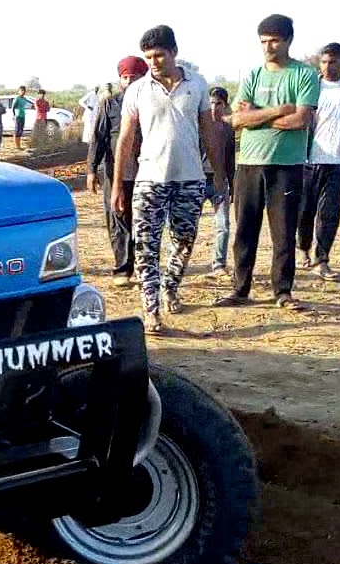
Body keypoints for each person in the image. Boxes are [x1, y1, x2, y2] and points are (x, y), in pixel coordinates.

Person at [113, 26, 219, 335]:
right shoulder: (137, 90)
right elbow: (125, 139)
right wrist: (119, 184)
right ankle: (151, 307)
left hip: (190, 179)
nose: (154, 62)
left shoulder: (197, 85)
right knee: (146, 245)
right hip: (149, 180)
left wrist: (221, 173)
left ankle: (170, 286)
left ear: (174, 52)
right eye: (148, 57)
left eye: (159, 55)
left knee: (184, 241)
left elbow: (208, 132)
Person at [215, 14, 319, 312]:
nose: (268, 47)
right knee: (244, 230)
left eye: (274, 41)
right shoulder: (253, 75)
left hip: (287, 165)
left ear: (288, 40)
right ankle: (240, 288)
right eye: (263, 42)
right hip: (249, 163)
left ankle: (282, 291)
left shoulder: (303, 74)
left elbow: (302, 119)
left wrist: (256, 116)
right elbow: (235, 120)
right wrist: (278, 110)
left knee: (284, 232)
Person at [297, 42, 340, 281]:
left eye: (333, 61)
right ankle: (303, 247)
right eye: (324, 62)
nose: (328, 66)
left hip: (338, 161)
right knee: (305, 211)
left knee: (329, 213)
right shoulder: (311, 85)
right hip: (308, 159)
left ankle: (321, 259)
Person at [87, 57, 148, 287]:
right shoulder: (109, 105)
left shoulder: (152, 102)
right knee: (117, 220)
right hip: (116, 174)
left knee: (143, 221)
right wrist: (92, 170)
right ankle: (122, 267)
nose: (129, 81)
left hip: (146, 173)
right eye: (125, 78)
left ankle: (144, 267)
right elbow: (99, 138)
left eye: (135, 77)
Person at [202, 86, 237, 279]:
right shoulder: (198, 125)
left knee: (223, 225)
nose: (214, 108)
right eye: (211, 103)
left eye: (219, 104)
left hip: (219, 182)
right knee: (187, 226)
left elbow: (230, 158)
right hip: (198, 180)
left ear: (225, 106)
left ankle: (219, 264)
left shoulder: (227, 129)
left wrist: (231, 183)